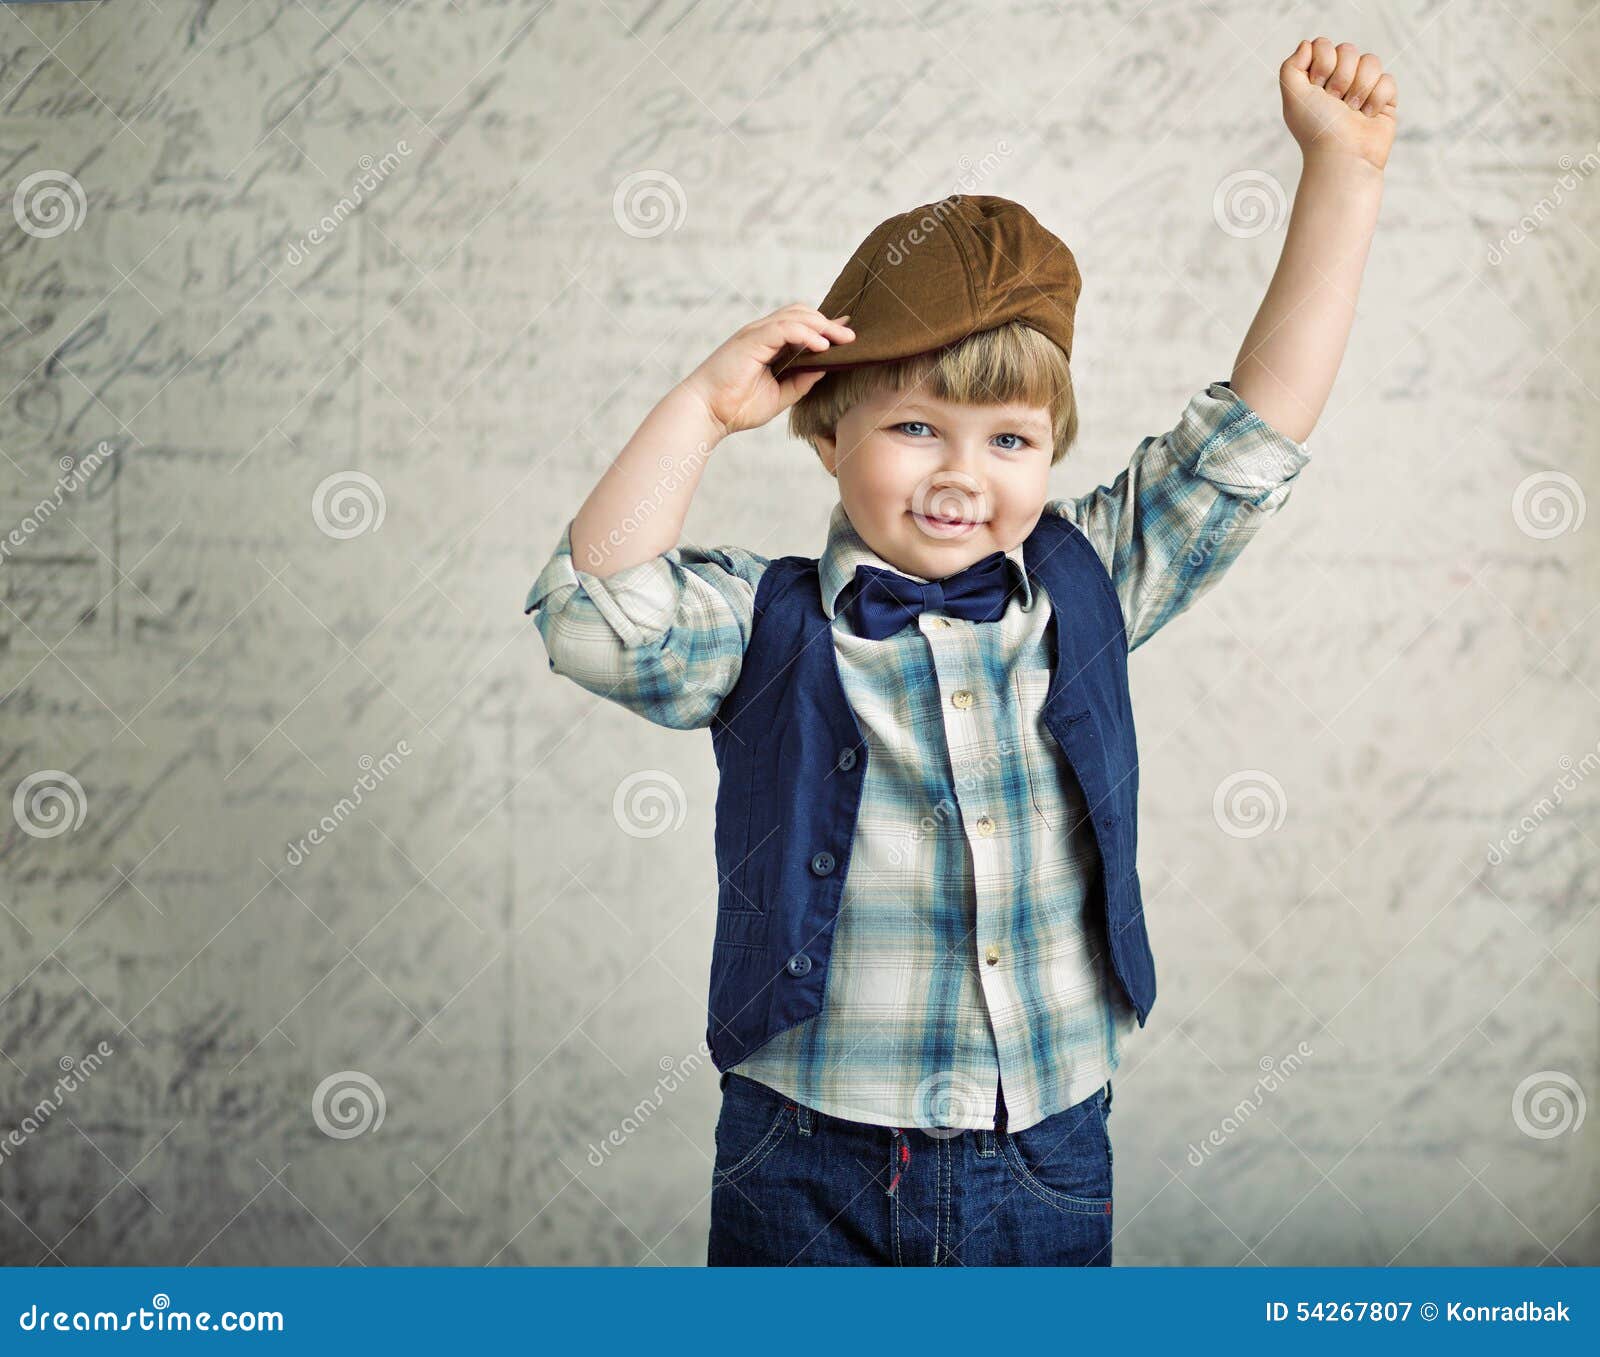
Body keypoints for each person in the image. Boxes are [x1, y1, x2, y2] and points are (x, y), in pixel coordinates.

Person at [524, 37, 1395, 1266]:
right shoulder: (764, 626)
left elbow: (1251, 437)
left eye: (1008, 440)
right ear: (826, 430)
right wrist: (699, 411)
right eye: (916, 425)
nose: (958, 474)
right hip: (807, 1147)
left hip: (1044, 1144)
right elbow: (589, 611)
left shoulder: (1089, 582)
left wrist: (1341, 176)